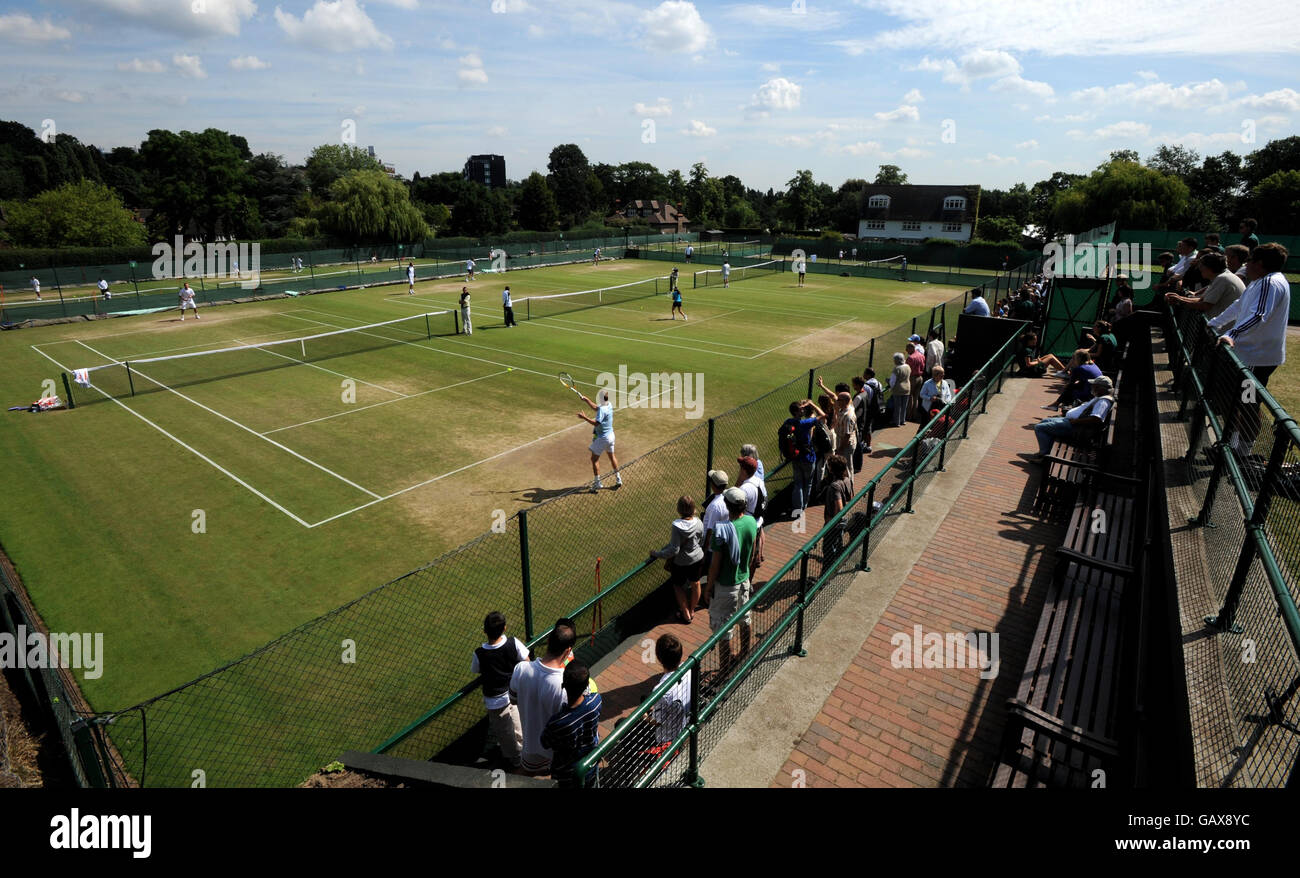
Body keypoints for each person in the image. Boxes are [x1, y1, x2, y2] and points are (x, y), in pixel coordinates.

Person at [509, 620, 575, 774]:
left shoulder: (521, 669)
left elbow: (513, 700)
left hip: (530, 749)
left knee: (525, 776)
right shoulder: (565, 685)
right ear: (568, 651)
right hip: (557, 754)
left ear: (548, 641)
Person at [705, 487, 757, 671]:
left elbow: (715, 566)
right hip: (744, 581)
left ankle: (724, 671)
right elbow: (752, 553)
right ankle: (745, 654)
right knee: (745, 619)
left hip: (726, 588)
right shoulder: (751, 521)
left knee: (724, 632)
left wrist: (708, 588)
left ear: (727, 506)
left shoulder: (722, 531)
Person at [471, 611, 527, 768]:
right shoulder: (513, 642)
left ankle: (516, 760)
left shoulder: (479, 653)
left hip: (495, 702)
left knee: (505, 734)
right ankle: (525, 755)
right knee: (519, 726)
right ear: (505, 628)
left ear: (484, 631)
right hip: (514, 695)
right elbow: (526, 661)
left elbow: (475, 670)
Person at [540, 661, 602, 788]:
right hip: (590, 764)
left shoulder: (557, 722)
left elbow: (544, 742)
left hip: (566, 774)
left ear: (563, 686)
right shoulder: (597, 701)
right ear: (587, 686)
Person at [648, 496, 705, 623]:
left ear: (679, 509)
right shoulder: (699, 522)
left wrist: (658, 554)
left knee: (678, 586)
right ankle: (691, 610)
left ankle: (685, 614)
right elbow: (701, 539)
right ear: (693, 509)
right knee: (695, 583)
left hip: (681, 563)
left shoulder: (677, 526)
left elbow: (674, 550)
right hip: (697, 558)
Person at [1031, 376, 1114, 459]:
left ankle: (1044, 456)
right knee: (1045, 421)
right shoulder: (1100, 396)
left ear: (1101, 388)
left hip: (1076, 428)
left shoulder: (1103, 402)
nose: (1091, 387)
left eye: (1094, 386)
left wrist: (1074, 422)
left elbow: (1096, 419)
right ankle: (1046, 451)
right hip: (1072, 423)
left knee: (1040, 428)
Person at [1165, 252, 1244, 322]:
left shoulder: (1222, 278)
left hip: (1221, 331)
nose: (1199, 268)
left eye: (1201, 265)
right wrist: (1178, 298)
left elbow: (1205, 305)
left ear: (1209, 267)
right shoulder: (1222, 276)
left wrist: (1179, 300)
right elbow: (1201, 300)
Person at [780, 399, 823, 517]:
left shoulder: (788, 422)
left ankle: (796, 509)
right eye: (801, 409)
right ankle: (803, 507)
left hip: (795, 457)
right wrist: (812, 404)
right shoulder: (805, 423)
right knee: (807, 484)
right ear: (796, 412)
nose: (803, 410)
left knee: (798, 483)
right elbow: (823, 416)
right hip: (808, 457)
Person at [577, 388, 622, 491]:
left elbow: (596, 423)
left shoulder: (602, 410)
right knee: (612, 457)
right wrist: (586, 400)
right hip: (611, 435)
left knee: (594, 459)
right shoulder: (609, 405)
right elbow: (596, 407)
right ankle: (618, 478)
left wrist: (584, 417)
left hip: (603, 438)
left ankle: (597, 483)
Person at [735, 456, 767, 579]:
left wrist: (739, 479)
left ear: (744, 470)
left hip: (746, 527)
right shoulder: (760, 482)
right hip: (758, 523)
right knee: (753, 557)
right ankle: (748, 584)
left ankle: (742, 583)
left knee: (744, 558)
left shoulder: (745, 488)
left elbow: (734, 503)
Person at [820, 454, 853, 564]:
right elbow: (851, 498)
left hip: (834, 523)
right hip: (843, 520)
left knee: (828, 550)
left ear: (832, 469)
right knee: (838, 545)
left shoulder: (835, 486)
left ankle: (826, 577)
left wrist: (830, 520)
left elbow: (839, 508)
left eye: (829, 466)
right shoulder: (847, 480)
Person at [701, 470, 730, 589]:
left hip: (712, 546)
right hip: (724, 540)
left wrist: (704, 549)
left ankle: (709, 594)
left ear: (713, 485)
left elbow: (710, 530)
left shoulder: (715, 506)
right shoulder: (729, 497)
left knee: (711, 571)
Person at [887, 353, 910, 427]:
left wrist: (890, 385)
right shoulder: (908, 366)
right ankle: (903, 420)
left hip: (898, 390)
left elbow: (892, 381)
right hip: (907, 388)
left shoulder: (897, 369)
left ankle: (897, 422)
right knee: (904, 406)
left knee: (898, 406)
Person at [906, 341, 926, 421]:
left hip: (912, 378)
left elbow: (907, 369)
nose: (906, 350)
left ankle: (908, 416)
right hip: (920, 378)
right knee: (916, 397)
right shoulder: (921, 355)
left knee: (910, 397)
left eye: (907, 349)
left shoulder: (911, 358)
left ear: (911, 348)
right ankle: (914, 415)